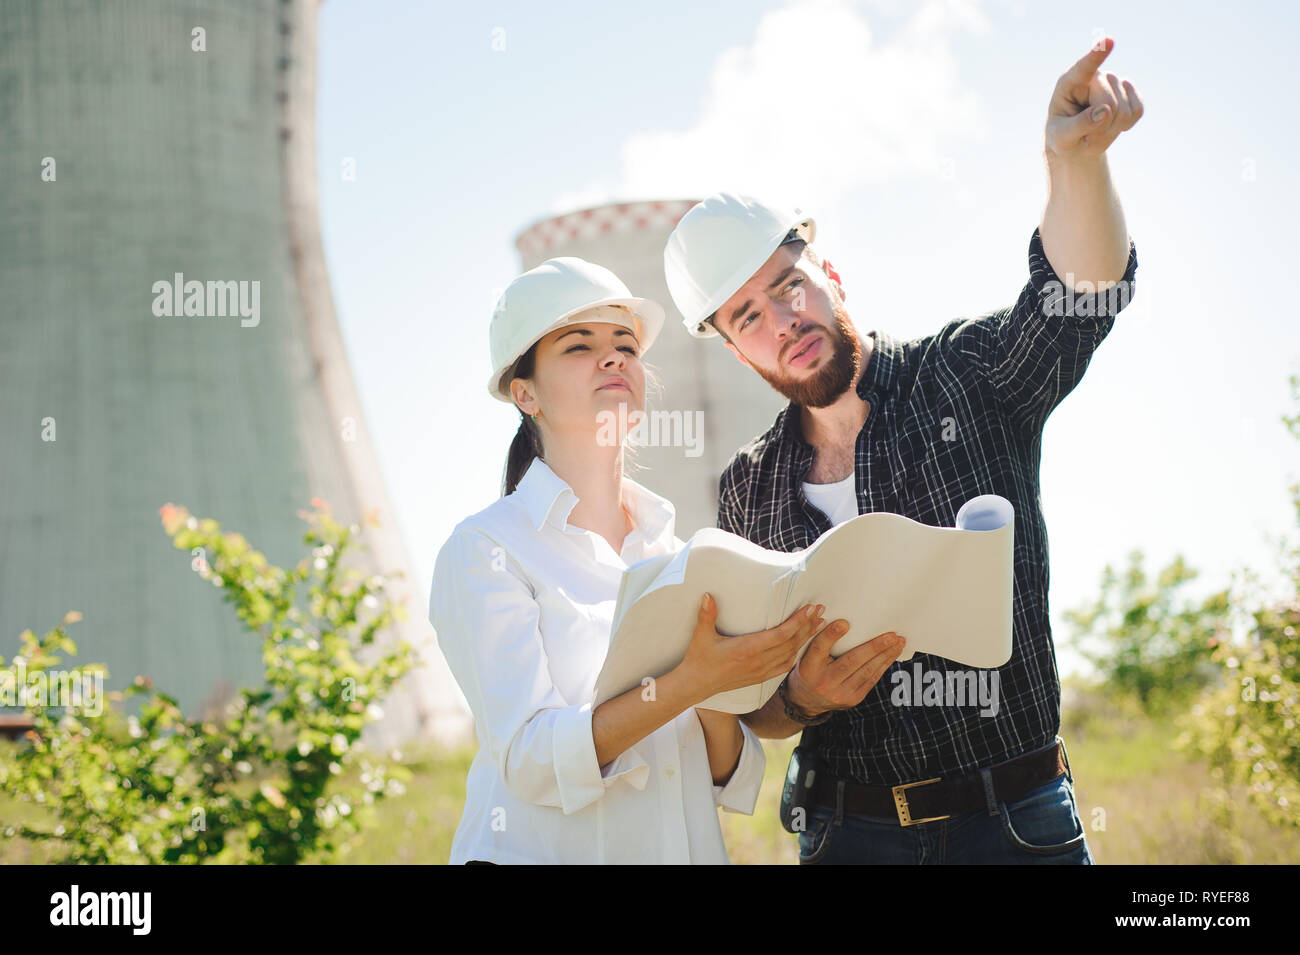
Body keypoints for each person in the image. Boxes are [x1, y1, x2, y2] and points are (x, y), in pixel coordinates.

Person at [661, 38, 1143, 864]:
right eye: (748, 318)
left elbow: (1079, 296)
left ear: (832, 273)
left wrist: (1074, 166)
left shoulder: (965, 376)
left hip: (1017, 822)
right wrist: (805, 694)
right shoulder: (748, 488)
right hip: (848, 834)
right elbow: (758, 705)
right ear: (736, 351)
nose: (782, 322)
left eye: (789, 286)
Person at [429, 256, 830, 864]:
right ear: (525, 393)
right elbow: (531, 761)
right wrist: (687, 683)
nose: (613, 357)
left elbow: (729, 774)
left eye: (624, 344)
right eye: (577, 346)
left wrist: (714, 687)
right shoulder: (486, 551)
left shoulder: (680, 556)